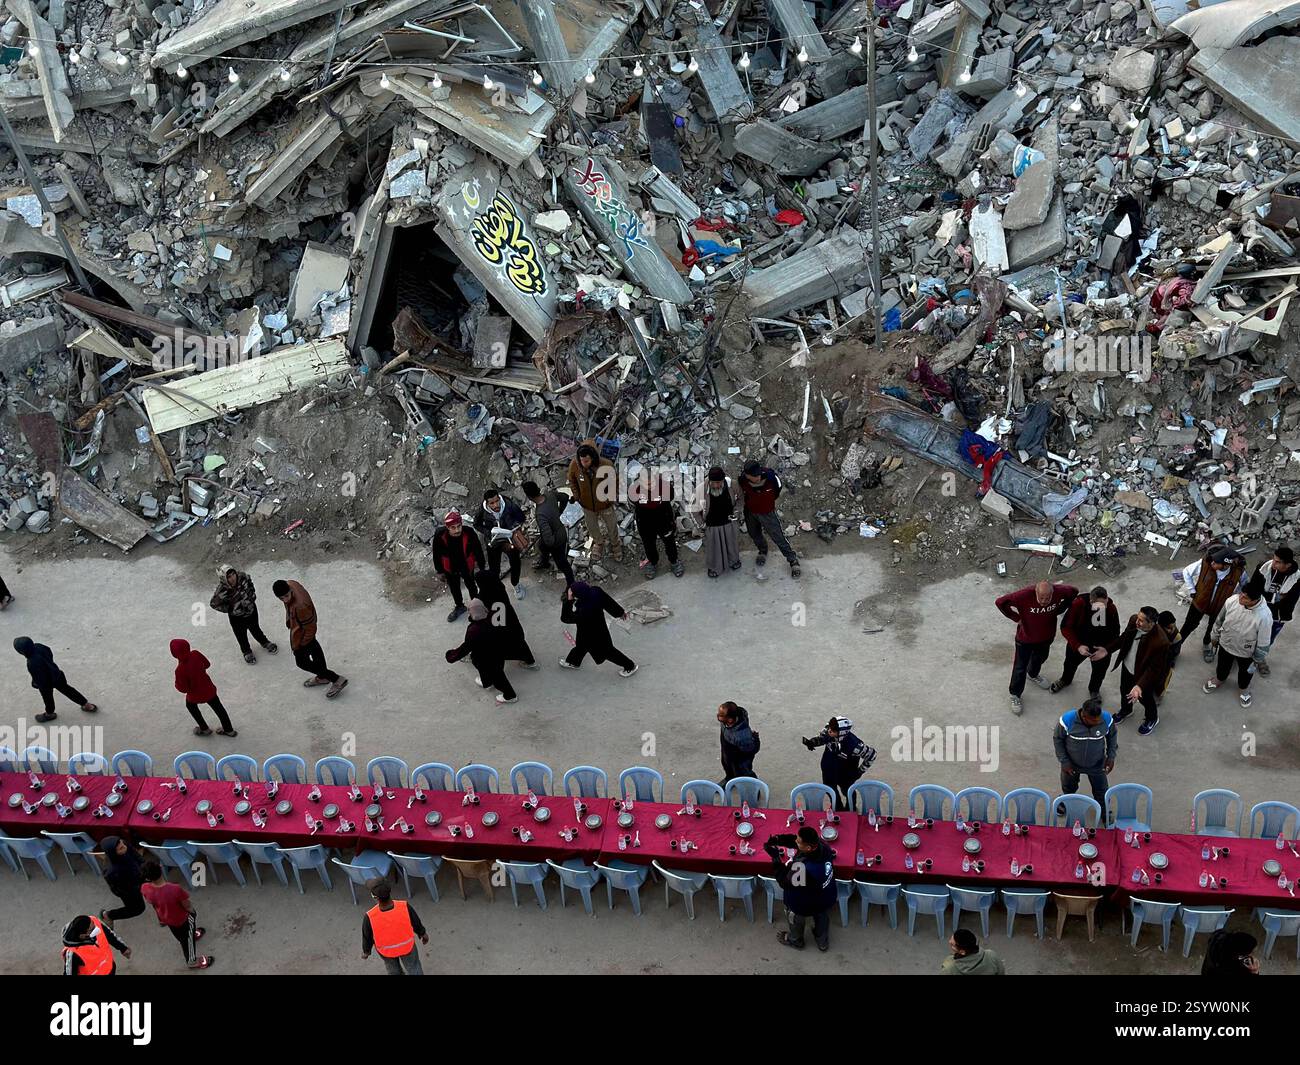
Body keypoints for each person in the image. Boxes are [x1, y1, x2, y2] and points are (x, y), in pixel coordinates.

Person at [994, 580, 1078, 715]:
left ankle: (1032, 675)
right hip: (1025, 639)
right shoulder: (1023, 595)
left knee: (1041, 658)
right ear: (1035, 592)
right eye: (1041, 598)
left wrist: (1061, 608)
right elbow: (1000, 602)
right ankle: (1015, 695)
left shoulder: (1061, 591)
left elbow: (1074, 591)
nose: (1044, 601)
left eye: (1047, 598)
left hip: (1047, 636)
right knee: (1020, 667)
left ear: (1052, 593)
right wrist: (1016, 618)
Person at [1205, 576, 1273, 708]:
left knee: (1246, 672)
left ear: (1255, 600)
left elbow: (1264, 641)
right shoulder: (1232, 600)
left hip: (1246, 652)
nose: (1240, 598)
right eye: (1241, 594)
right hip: (1226, 643)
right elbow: (1219, 620)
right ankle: (1219, 679)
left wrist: (1258, 658)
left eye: (1245, 598)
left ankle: (1243, 689)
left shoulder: (1265, 616)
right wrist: (1214, 636)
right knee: (1222, 664)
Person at [272, 579, 347, 698]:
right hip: (301, 625)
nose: (285, 600)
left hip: (303, 633)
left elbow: (310, 629)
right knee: (314, 649)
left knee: (301, 661)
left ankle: (336, 679)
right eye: (281, 598)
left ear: (289, 590)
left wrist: (302, 643)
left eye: (286, 596)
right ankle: (323, 677)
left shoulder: (300, 606)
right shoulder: (291, 584)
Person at [765, 826, 836, 951]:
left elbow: (784, 882)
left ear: (808, 848)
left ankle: (796, 940)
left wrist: (775, 858)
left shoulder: (802, 868)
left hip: (806, 902)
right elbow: (796, 841)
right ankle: (822, 941)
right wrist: (778, 839)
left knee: (794, 916)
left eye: (798, 841)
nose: (796, 842)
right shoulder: (823, 846)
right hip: (826, 895)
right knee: (821, 915)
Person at [140, 860, 213, 970]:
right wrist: (193, 913)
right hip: (183, 919)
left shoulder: (145, 888)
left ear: (147, 878)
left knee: (179, 935)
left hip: (167, 919)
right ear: (160, 867)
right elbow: (187, 905)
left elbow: (153, 903)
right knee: (187, 940)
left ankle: (189, 936)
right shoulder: (175, 889)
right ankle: (192, 961)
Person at [1109, 605, 1170, 735]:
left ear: (1151, 623)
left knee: (1146, 699)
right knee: (1124, 690)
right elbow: (1124, 638)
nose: (1137, 621)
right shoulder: (1133, 621)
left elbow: (1155, 668)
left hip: (1143, 675)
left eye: (1141, 620)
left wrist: (1139, 686)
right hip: (1127, 666)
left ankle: (1152, 718)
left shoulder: (1161, 642)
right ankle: (1126, 710)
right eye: (1138, 617)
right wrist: (1106, 650)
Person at [1180, 545, 1246, 663]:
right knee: (1188, 625)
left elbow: (1245, 586)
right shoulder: (1205, 563)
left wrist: (1234, 599)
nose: (1212, 563)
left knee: (1213, 629)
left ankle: (1207, 645)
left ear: (1226, 565)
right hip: (1199, 602)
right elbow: (1186, 572)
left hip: (1219, 607)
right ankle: (1175, 647)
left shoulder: (1238, 572)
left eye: (1216, 562)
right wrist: (1192, 590)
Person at [1050, 586, 1120, 697]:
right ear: (1091, 601)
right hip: (1080, 642)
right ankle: (1065, 680)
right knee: (1069, 664)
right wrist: (1077, 646)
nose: (1104, 607)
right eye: (1100, 605)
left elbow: (1116, 633)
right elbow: (1065, 627)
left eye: (1105, 603)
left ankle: (1094, 690)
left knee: (1099, 672)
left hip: (1101, 647)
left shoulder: (1111, 608)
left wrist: (1106, 650)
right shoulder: (1079, 604)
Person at [446, 600, 517, 704]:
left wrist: (451, 655)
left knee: (498, 677)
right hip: (498, 653)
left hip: (484, 658)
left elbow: (466, 647)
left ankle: (510, 696)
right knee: (492, 671)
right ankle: (487, 682)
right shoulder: (493, 619)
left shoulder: (473, 630)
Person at [558, 582, 637, 676]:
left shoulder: (584, 610)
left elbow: (565, 618)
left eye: (571, 592)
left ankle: (630, 666)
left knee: (608, 651)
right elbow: (608, 602)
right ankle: (573, 662)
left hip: (595, 634)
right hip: (596, 625)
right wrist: (619, 612)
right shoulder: (595, 591)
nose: (569, 591)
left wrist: (568, 600)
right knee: (581, 645)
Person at [13, 637, 97, 723]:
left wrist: (35, 684)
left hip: (46, 683)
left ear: (22, 652)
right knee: (68, 690)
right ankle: (87, 705)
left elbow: (40, 679)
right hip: (57, 674)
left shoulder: (32, 663)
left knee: (48, 699)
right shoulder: (39, 646)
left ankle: (49, 714)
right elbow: (49, 652)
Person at [738, 460, 799, 578]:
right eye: (754, 476)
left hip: (767, 513)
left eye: (758, 474)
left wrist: (766, 502)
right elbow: (742, 493)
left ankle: (793, 560)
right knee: (754, 533)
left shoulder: (771, 477)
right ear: (747, 475)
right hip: (750, 512)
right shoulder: (743, 480)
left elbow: (777, 490)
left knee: (778, 536)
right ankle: (763, 550)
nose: (757, 477)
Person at [1053, 695, 1116, 810]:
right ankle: (1066, 801)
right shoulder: (1068, 720)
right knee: (1069, 787)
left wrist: (1111, 757)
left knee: (1101, 790)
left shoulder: (1106, 719)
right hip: (1071, 764)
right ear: (1084, 716)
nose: (1098, 722)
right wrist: (1064, 761)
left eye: (1099, 719)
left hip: (1097, 764)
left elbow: (1112, 736)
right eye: (1094, 720)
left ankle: (1104, 811)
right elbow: (1058, 739)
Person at [802, 716, 876, 811]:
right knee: (830, 791)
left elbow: (872, 756)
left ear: (841, 733)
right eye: (829, 728)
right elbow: (822, 738)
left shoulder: (855, 745)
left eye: (833, 730)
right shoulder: (828, 729)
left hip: (846, 775)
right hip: (828, 771)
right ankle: (838, 809)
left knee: (848, 792)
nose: (829, 731)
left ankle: (851, 809)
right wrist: (813, 742)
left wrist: (859, 771)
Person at [209, 564, 277, 663]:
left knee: (255, 628)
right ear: (224, 579)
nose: (233, 578)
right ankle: (246, 651)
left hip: (251, 610)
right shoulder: (221, 591)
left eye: (233, 574)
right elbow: (214, 604)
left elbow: (249, 582)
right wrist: (230, 608)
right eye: (229, 577)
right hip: (237, 618)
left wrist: (252, 594)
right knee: (241, 636)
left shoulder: (243, 576)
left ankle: (265, 642)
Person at [567, 439, 621, 561]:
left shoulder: (606, 465)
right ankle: (599, 543)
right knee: (592, 526)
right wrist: (577, 495)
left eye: (586, 461)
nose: (583, 463)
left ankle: (615, 545)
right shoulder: (575, 465)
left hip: (605, 504)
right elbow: (572, 480)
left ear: (593, 457)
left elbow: (615, 482)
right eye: (581, 460)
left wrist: (610, 498)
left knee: (611, 525)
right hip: (587, 504)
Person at [170, 639, 237, 738]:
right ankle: (229, 730)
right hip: (209, 689)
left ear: (174, 654)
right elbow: (207, 664)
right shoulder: (196, 654)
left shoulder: (180, 670)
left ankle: (204, 728)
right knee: (219, 708)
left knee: (192, 708)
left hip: (194, 695)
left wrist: (177, 684)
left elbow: (183, 688)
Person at [361, 878, 428, 975]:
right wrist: (422, 933)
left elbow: (367, 936)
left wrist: (366, 951)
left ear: (375, 897)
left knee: (393, 970)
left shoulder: (370, 916)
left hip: (386, 951)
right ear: (389, 891)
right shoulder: (404, 906)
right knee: (414, 968)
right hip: (407, 947)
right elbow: (415, 922)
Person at [476, 570, 539, 670]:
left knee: (500, 644)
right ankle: (529, 661)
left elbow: (497, 620)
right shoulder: (498, 588)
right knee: (518, 641)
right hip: (510, 619)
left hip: (501, 623)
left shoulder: (487, 595)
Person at [1251, 545, 1297, 675]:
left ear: (1287, 564)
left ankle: (1259, 658)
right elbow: (1254, 588)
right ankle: (1241, 656)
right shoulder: (1263, 567)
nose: (1273, 563)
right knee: (1249, 633)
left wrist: (1270, 596)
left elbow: (1291, 599)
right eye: (1273, 559)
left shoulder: (1296, 578)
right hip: (1258, 608)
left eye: (1277, 562)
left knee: (1267, 639)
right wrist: (1277, 596)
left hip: (1278, 615)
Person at [433, 510, 486, 622]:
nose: (457, 530)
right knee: (454, 588)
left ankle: (476, 607)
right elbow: (436, 553)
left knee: (471, 586)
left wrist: (481, 567)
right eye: (453, 527)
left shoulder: (469, 532)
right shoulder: (439, 534)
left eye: (459, 526)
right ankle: (459, 606)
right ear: (447, 527)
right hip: (450, 567)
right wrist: (440, 571)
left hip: (466, 565)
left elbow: (478, 550)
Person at [630, 468, 683, 579]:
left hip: (663, 520)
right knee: (648, 544)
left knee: (669, 542)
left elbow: (671, 497)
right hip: (645, 522)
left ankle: (674, 562)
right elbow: (633, 501)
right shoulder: (635, 489)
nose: (649, 486)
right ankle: (653, 562)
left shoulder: (665, 487)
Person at [474, 487, 527, 599]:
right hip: (493, 541)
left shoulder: (509, 505)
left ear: (499, 498)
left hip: (509, 540)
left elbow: (521, 518)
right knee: (494, 568)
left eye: (497, 501)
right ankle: (495, 588)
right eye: (492, 503)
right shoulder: (482, 510)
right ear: (487, 503)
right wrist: (489, 532)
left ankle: (516, 585)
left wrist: (513, 527)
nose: (495, 505)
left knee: (515, 563)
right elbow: (476, 524)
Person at [523, 480, 574, 585]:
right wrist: (560, 511)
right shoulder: (550, 495)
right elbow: (565, 497)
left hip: (557, 540)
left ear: (529, 497)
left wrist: (549, 541)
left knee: (562, 563)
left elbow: (549, 541)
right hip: (560, 530)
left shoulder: (540, 514)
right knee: (541, 545)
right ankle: (545, 563)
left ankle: (572, 585)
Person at [698, 465, 742, 578]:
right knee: (713, 548)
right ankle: (714, 568)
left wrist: (737, 512)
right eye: (714, 483)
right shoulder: (701, 489)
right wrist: (701, 524)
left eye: (719, 482)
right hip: (712, 525)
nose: (717, 485)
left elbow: (740, 499)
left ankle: (733, 561)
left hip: (729, 522)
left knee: (731, 544)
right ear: (710, 481)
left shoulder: (732, 484)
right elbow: (693, 510)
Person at [98, 836, 146, 928]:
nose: (124, 847)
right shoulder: (111, 872)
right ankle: (108, 915)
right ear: (113, 853)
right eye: (120, 848)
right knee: (137, 909)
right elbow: (117, 890)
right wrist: (136, 889)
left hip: (139, 876)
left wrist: (144, 866)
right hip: (130, 890)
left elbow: (135, 854)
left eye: (123, 844)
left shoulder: (122, 844)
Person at [62, 915, 130, 975]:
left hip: (110, 968)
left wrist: (123, 948)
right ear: (83, 936)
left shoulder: (93, 920)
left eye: (94, 924)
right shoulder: (73, 953)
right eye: (92, 929)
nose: (96, 928)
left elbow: (110, 935)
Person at [718, 701, 760, 783]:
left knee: (744, 771)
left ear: (730, 720)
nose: (718, 716)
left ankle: (753, 787)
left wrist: (755, 738)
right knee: (727, 765)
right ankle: (730, 778)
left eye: (721, 715)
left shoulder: (743, 736)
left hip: (740, 756)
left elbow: (752, 749)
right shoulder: (726, 721)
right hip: (727, 750)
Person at [941, 929, 1006, 974]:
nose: (949, 942)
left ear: (962, 952)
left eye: (952, 944)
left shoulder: (949, 968)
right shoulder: (991, 956)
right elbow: (1001, 972)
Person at [1156, 610, 1182, 704]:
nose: (1171, 630)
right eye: (1168, 628)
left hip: (1167, 664)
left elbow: (1175, 652)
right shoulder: (1155, 632)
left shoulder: (1176, 637)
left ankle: (1159, 696)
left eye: (1173, 627)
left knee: (1163, 682)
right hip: (1155, 662)